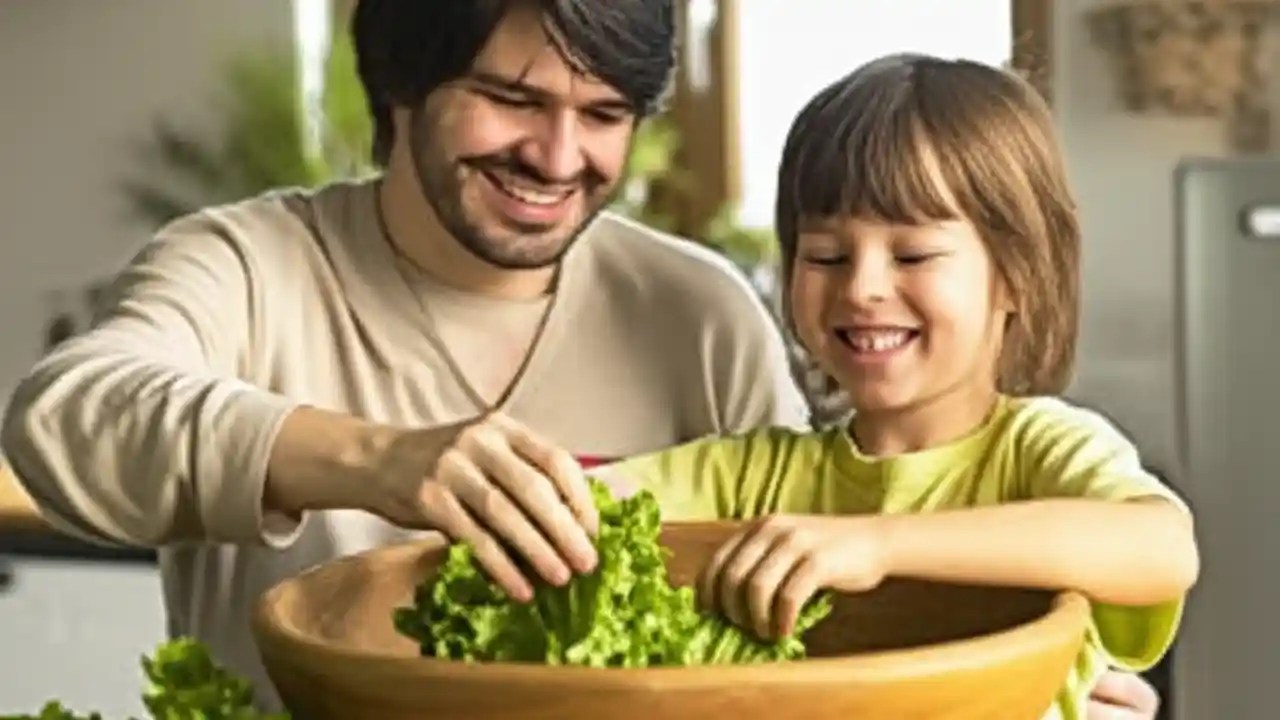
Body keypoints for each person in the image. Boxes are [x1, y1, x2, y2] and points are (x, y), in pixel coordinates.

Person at [0, 1, 1163, 717]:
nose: (559, 154)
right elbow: (68, 415)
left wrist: (1004, 684)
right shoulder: (248, 263)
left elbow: (789, 620)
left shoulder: (695, 307)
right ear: (400, 89)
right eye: (511, 97)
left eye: (604, 112)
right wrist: (372, 461)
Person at [588, 54, 1198, 720]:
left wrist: (876, 544)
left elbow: (1160, 548)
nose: (862, 288)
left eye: (913, 255)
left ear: (1018, 273)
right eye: (826, 256)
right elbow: (574, 516)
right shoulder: (747, 476)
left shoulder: (1038, 449)